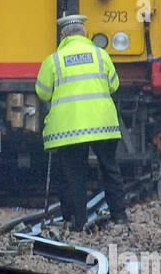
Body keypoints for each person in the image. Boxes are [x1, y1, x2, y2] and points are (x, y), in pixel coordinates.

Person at [35, 14, 128, 231]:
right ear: (85, 34)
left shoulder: (54, 60)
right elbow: (114, 85)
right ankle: (120, 216)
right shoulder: (101, 55)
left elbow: (42, 92)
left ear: (63, 36)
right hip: (103, 125)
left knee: (73, 175)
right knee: (110, 168)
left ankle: (76, 222)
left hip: (70, 130)